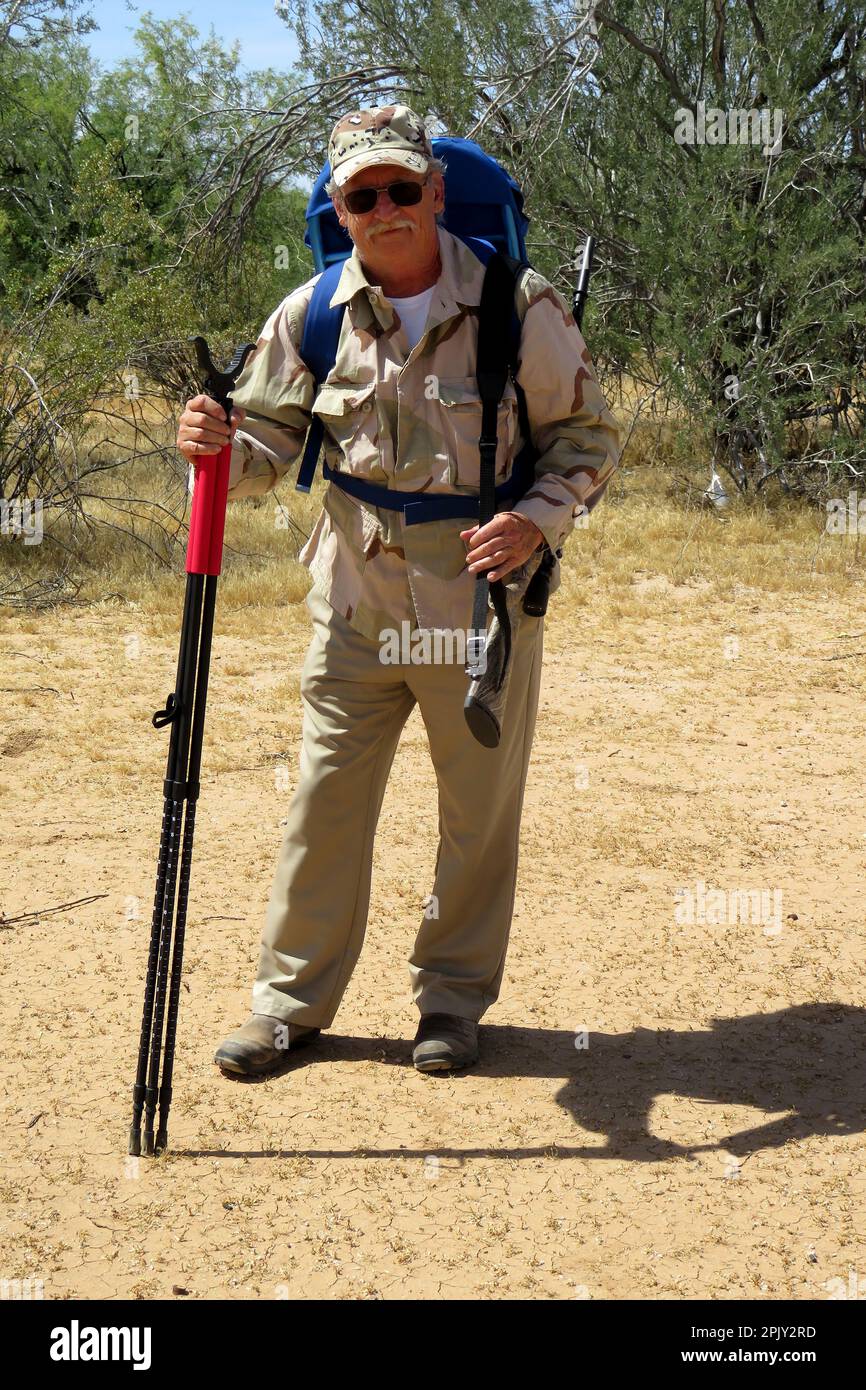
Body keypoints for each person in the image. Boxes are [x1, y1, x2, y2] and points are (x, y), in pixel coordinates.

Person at [176, 104, 620, 1076]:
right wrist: (217, 449)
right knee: (323, 803)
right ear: (338, 208)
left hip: (477, 610)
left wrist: (535, 520)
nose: (383, 209)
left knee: (475, 817)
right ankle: (288, 1006)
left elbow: (586, 441)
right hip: (353, 606)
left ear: (434, 192)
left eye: (400, 189)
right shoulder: (312, 314)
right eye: (361, 194)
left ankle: (452, 1004)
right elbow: (264, 443)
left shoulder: (516, 304)